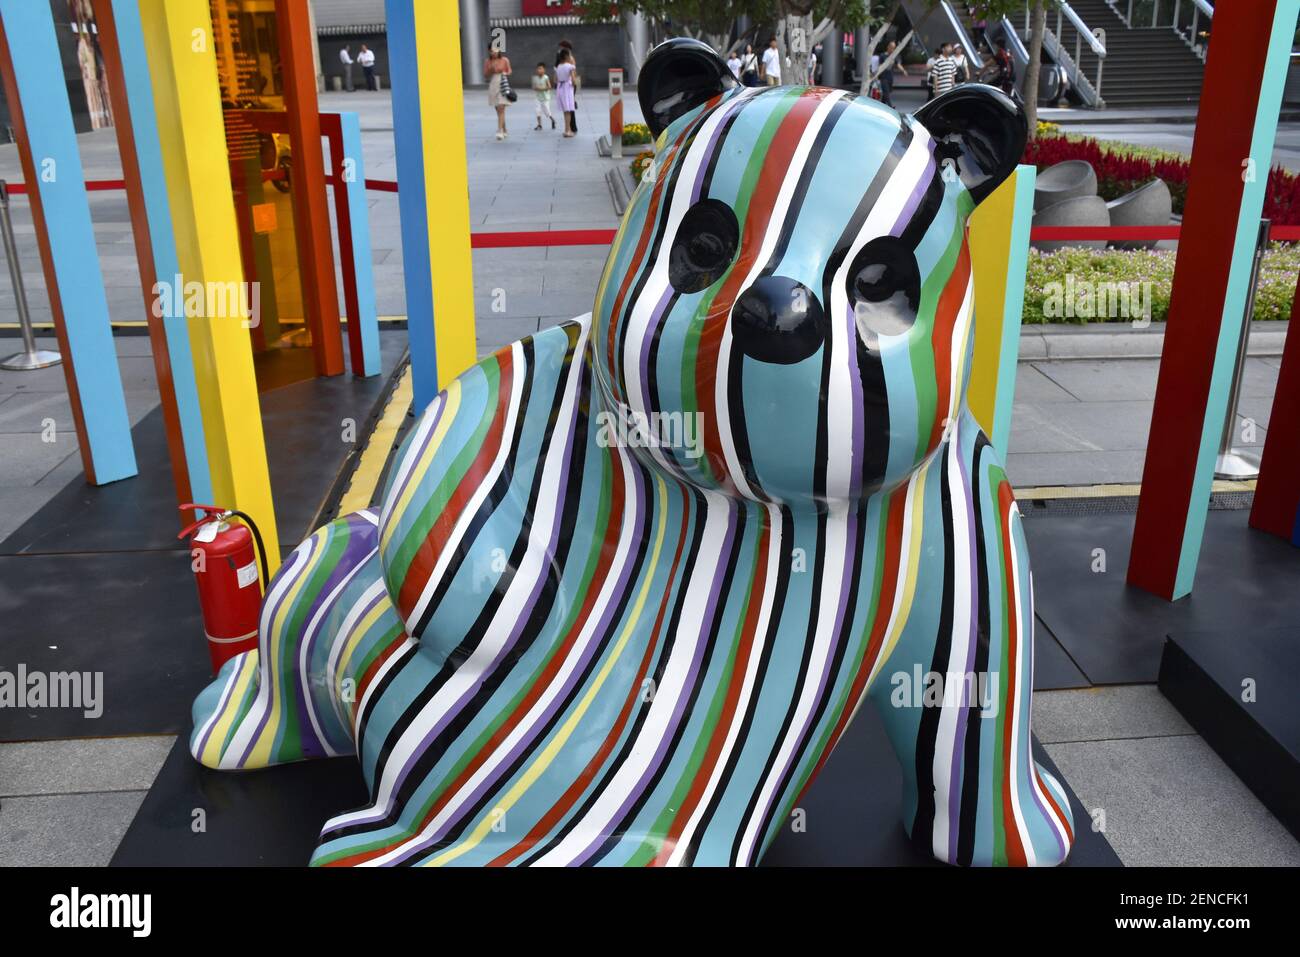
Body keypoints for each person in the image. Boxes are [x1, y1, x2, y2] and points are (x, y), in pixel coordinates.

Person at [483, 46, 513, 141]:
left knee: (501, 107)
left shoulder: (504, 60)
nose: (494, 53)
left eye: (495, 50)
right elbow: (485, 75)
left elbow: (509, 71)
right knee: (498, 109)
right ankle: (504, 129)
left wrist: (504, 72)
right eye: (492, 51)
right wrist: (490, 69)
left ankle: (499, 130)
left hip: (503, 82)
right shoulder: (488, 61)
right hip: (493, 83)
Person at [556, 40, 579, 132]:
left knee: (569, 107)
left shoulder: (570, 58)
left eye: (561, 47)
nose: (559, 49)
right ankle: (569, 127)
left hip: (568, 84)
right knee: (568, 106)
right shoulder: (561, 59)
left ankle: (571, 127)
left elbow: (573, 72)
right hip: (565, 84)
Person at [877, 40, 907, 107]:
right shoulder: (882, 55)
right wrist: (876, 75)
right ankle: (891, 107)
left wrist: (903, 71)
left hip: (890, 78)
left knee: (886, 94)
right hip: (883, 77)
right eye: (891, 47)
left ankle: (881, 106)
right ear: (888, 47)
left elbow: (898, 64)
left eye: (894, 48)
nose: (892, 49)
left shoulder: (894, 56)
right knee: (886, 93)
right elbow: (879, 66)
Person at [531, 62, 555, 130]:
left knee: (547, 111)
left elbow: (549, 87)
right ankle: (539, 124)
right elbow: (534, 87)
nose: (539, 70)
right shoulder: (535, 78)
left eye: (541, 69)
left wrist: (542, 89)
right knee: (537, 111)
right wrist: (536, 88)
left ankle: (552, 120)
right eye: (538, 69)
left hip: (545, 98)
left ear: (544, 70)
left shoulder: (546, 77)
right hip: (537, 98)